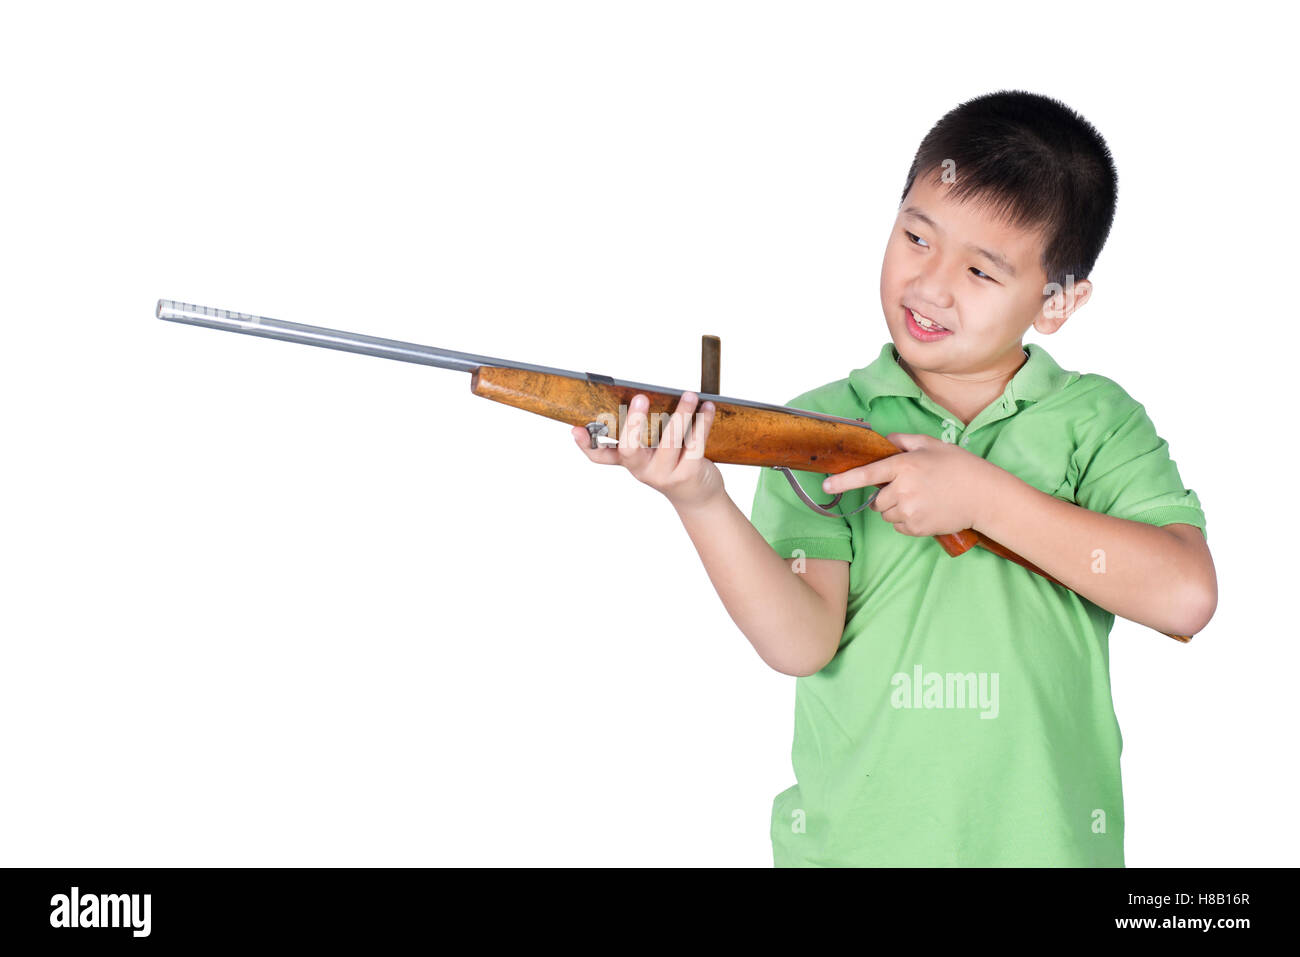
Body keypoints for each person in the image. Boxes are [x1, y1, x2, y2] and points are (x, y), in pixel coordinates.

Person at [570, 89, 1217, 867]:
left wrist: (982, 496)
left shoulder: (1097, 421)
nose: (931, 285)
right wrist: (698, 495)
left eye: (982, 270)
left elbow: (1186, 594)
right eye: (916, 236)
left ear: (1057, 301)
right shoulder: (821, 429)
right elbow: (801, 641)